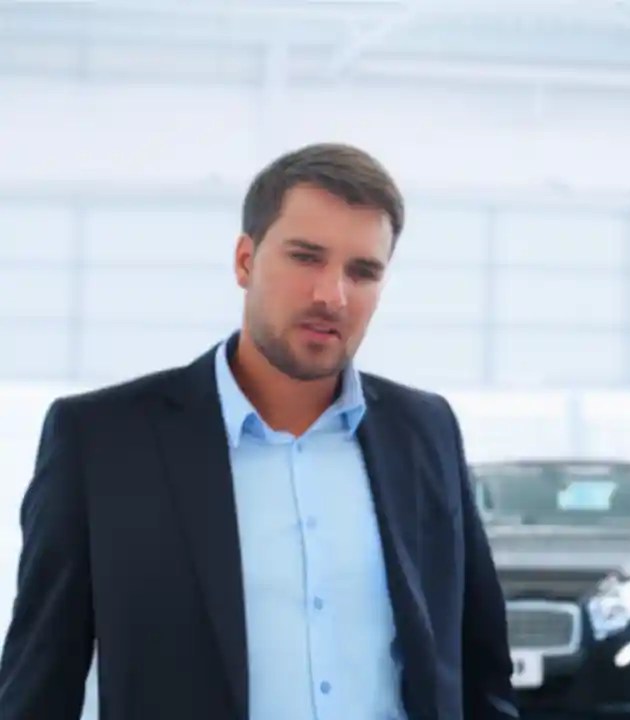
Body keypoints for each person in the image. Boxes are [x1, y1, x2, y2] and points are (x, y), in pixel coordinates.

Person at [0, 143, 519, 719]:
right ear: (245, 261)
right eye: (306, 257)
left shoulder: (425, 431)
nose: (332, 295)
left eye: (362, 271)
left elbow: (478, 667)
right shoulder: (102, 441)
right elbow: (39, 679)